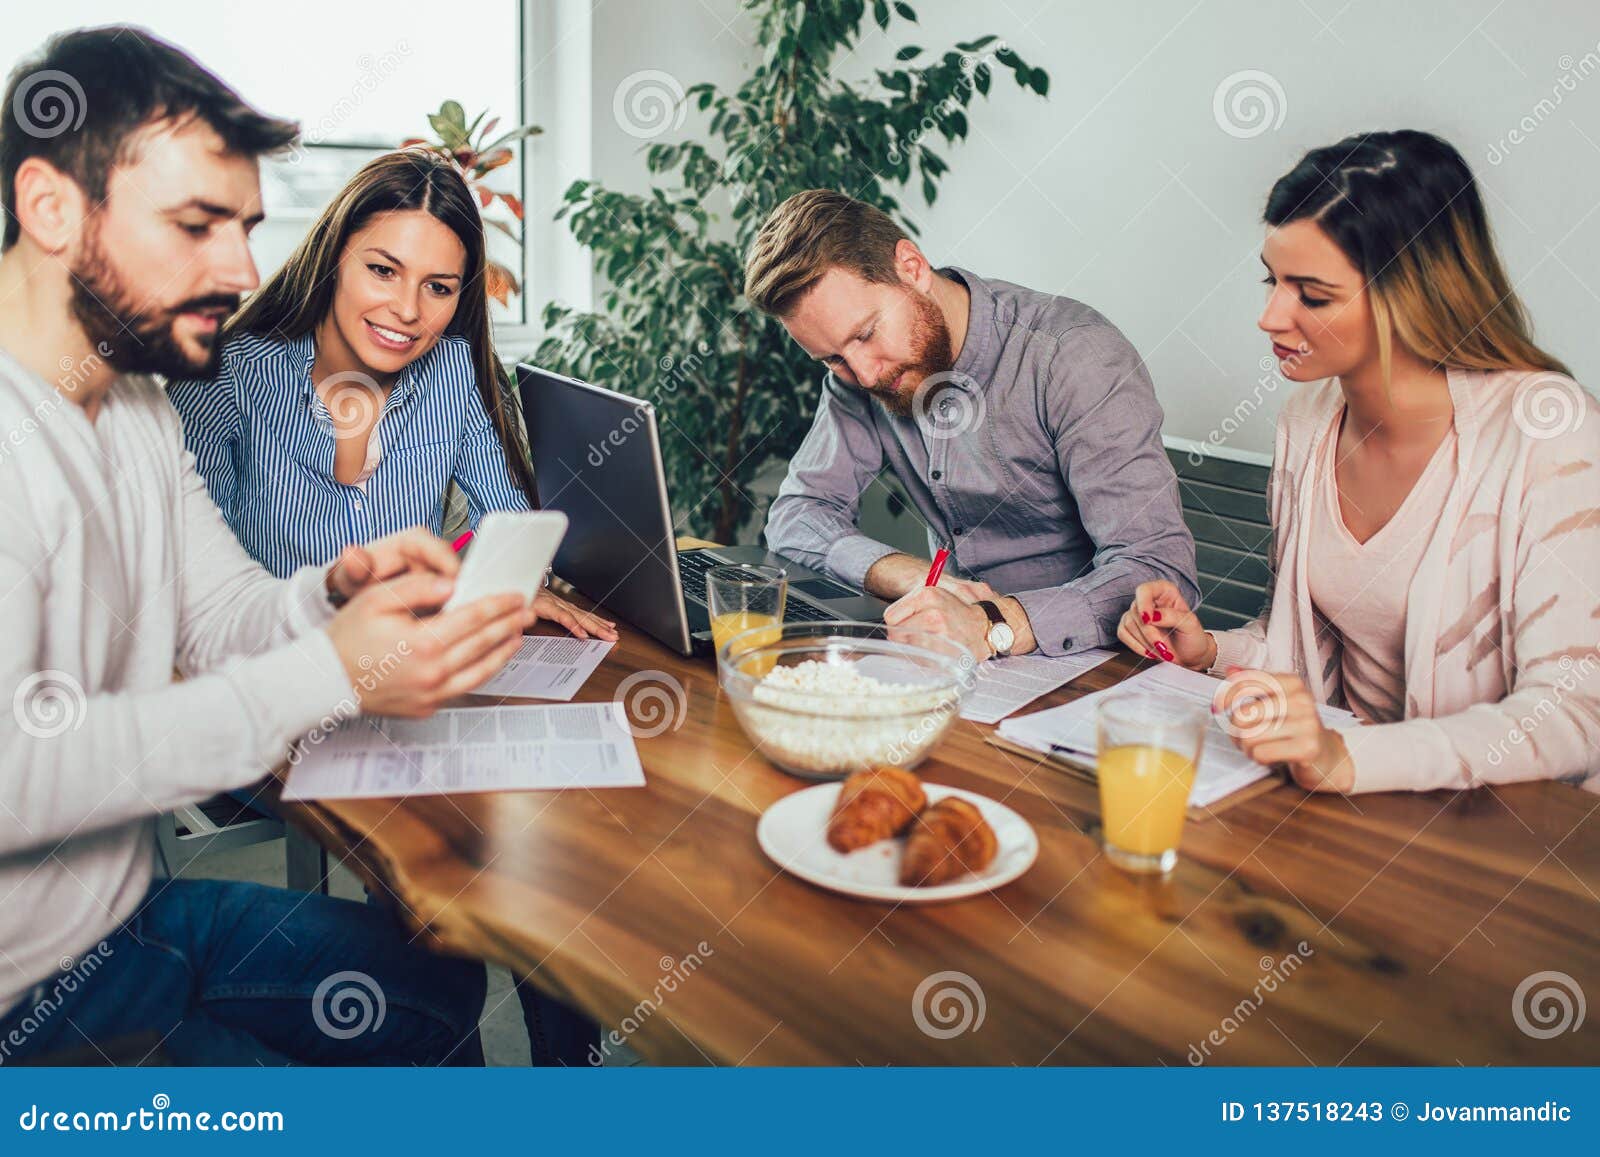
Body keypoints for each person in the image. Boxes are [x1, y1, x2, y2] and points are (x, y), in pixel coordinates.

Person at [0, 26, 534, 1064]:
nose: (243, 267)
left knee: (439, 980)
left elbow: (218, 610)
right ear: (50, 206)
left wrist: (334, 591)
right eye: (197, 224)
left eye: (244, 227)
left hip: (126, 927)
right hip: (30, 1005)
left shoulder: (136, 404)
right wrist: (329, 670)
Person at [1117, 130, 1600, 795]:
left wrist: (1347, 756)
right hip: (1345, 804)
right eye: (1273, 280)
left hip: (1495, 825)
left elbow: (1574, 713)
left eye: (1313, 295)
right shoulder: (1307, 421)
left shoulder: (1550, 432)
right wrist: (1207, 651)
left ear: (1414, 294)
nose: (1270, 317)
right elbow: (1299, 652)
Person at [168, 149, 613, 642]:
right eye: (383, 270)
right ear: (334, 257)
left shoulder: (451, 369)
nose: (407, 310)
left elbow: (507, 518)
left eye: (438, 288)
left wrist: (518, 581)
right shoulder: (227, 373)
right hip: (273, 665)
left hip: (409, 661)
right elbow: (201, 580)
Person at [745, 189, 1198, 663]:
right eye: (832, 358)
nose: (865, 375)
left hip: (1092, 666)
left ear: (912, 268)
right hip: (957, 661)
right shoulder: (862, 375)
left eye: (865, 334)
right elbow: (797, 516)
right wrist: (914, 578)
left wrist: (992, 624)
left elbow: (1158, 567)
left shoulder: (1071, 354)